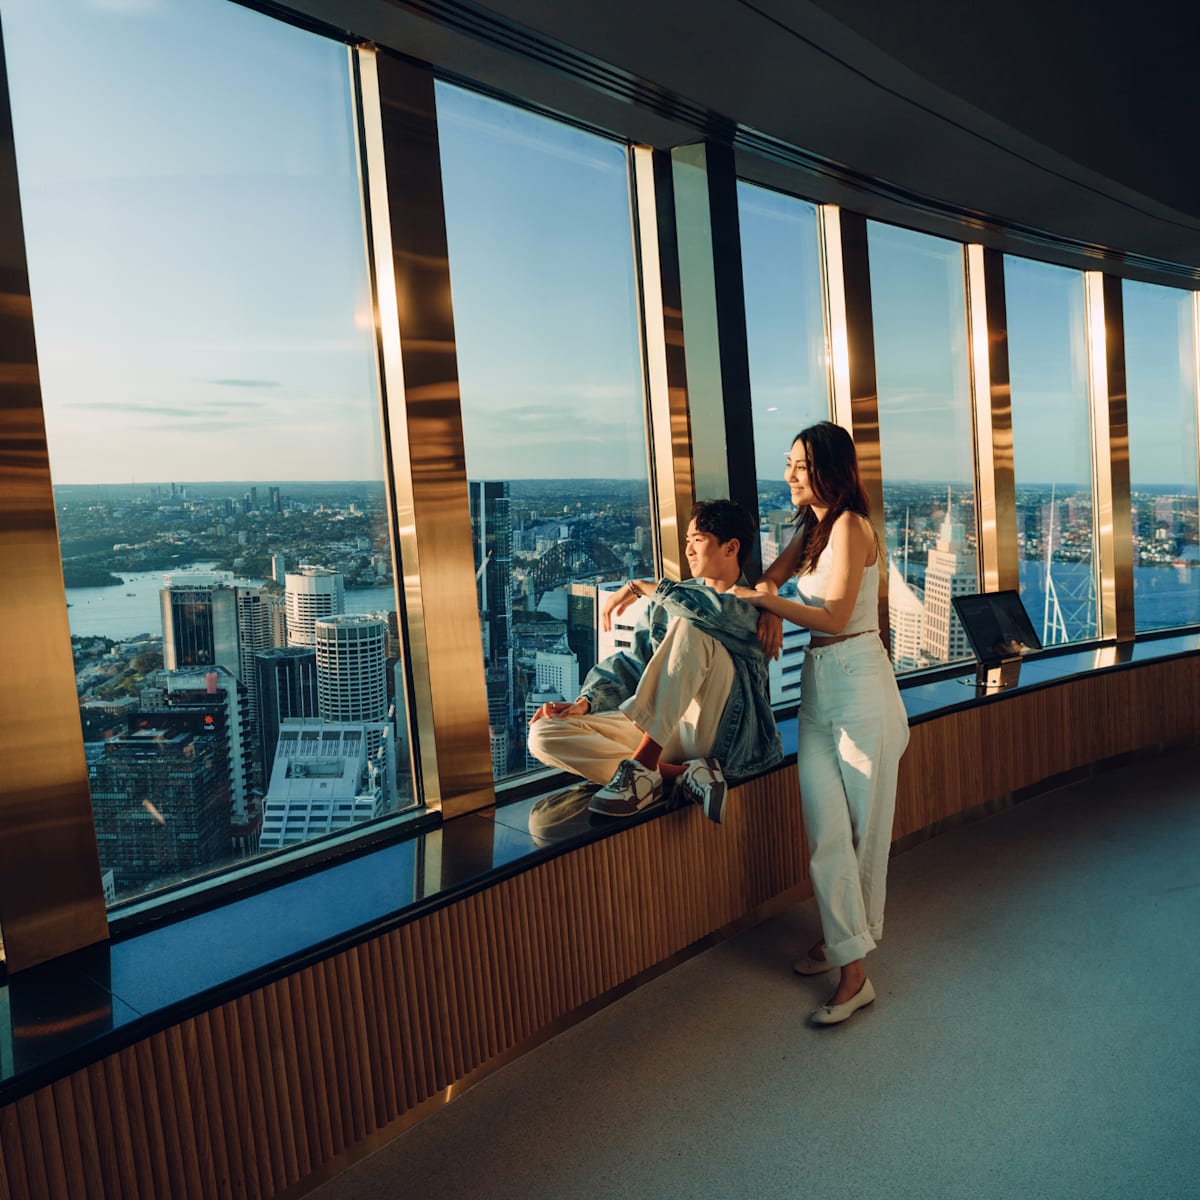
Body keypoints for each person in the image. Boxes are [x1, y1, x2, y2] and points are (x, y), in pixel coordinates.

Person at [732, 421, 909, 1026]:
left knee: (864, 830)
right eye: (788, 465)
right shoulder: (810, 528)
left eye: (799, 468)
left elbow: (833, 616)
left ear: (828, 470)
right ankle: (843, 942)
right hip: (818, 686)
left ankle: (852, 971)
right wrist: (773, 601)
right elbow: (773, 577)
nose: (788, 476)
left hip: (860, 678)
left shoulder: (854, 529)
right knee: (825, 830)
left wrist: (765, 605)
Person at [528, 500, 782, 822]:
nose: (688, 550)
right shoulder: (667, 601)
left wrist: (643, 587)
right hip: (663, 731)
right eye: (687, 540)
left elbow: (709, 610)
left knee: (692, 625)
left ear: (731, 547)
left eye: (698, 540)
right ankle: (679, 775)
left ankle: (644, 765)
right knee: (544, 733)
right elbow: (634, 664)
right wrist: (586, 702)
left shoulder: (753, 608)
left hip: (718, 737)